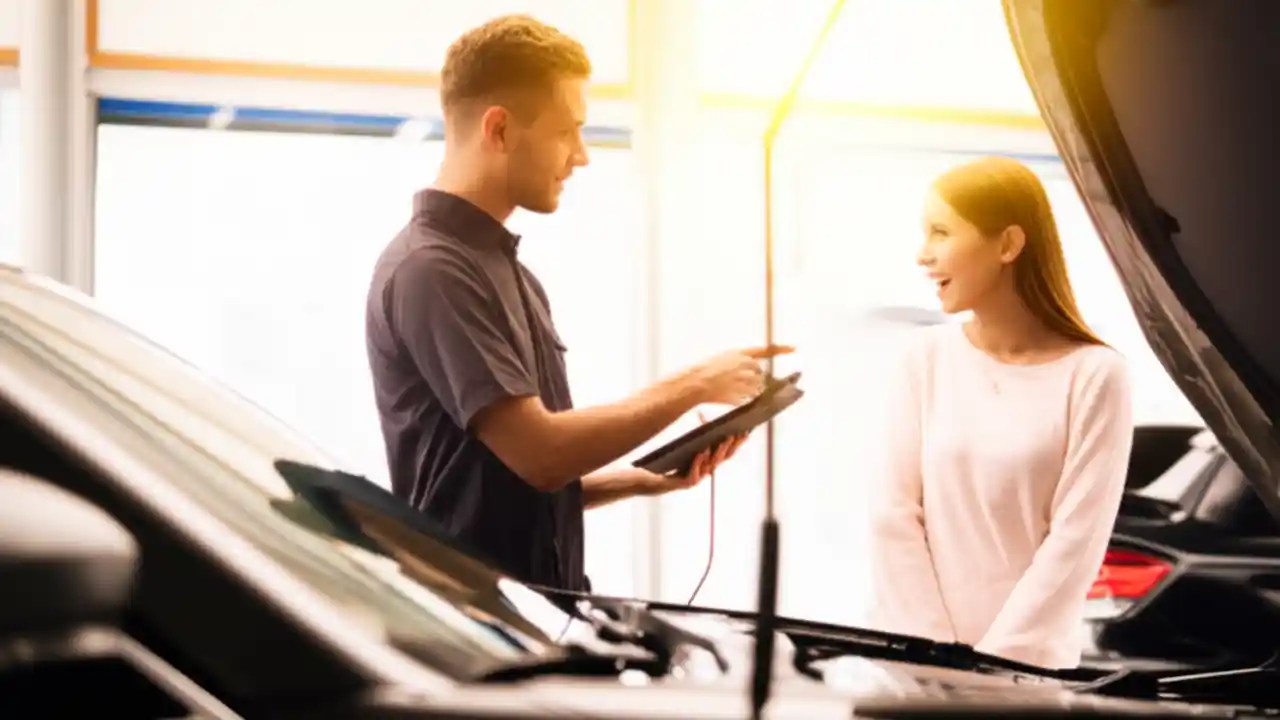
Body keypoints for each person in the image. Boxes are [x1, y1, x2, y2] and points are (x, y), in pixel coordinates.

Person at [365, 15, 789, 592]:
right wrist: (693, 384)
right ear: (499, 129)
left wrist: (639, 480)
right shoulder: (431, 270)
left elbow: (516, 486)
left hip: (541, 613)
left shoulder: (512, 275)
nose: (582, 155)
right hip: (475, 631)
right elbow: (539, 453)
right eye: (568, 131)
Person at [866, 155, 1134, 669]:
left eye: (941, 232)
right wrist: (935, 653)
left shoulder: (1097, 375)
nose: (924, 255)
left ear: (1009, 244)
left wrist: (995, 667)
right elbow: (892, 515)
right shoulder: (925, 359)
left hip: (1026, 677)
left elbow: (1075, 544)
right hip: (913, 666)